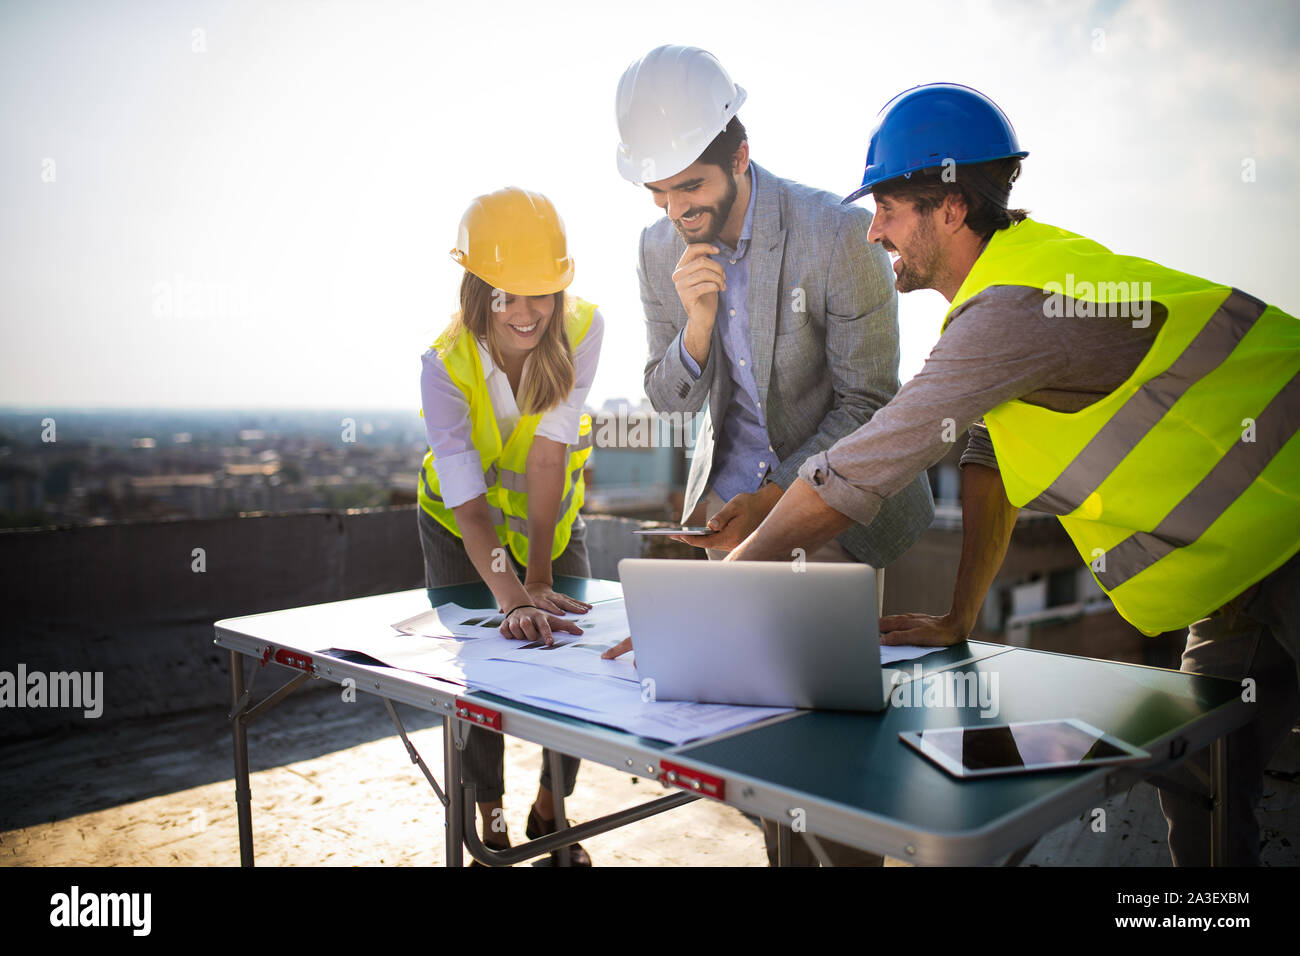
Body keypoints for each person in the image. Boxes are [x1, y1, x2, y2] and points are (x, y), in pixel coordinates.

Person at [727, 83, 1300, 866]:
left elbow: (859, 469)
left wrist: (721, 589)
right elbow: (989, 461)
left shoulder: (1010, 310)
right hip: (1243, 566)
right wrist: (961, 614)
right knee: (1204, 781)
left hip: (1289, 536)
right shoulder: (1016, 287)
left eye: (889, 207)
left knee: (1209, 779)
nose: (873, 232)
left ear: (951, 208)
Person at [610, 45, 935, 866]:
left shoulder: (839, 236)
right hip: (725, 509)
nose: (678, 209)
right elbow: (667, 399)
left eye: (693, 186)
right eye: (661, 191)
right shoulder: (658, 252)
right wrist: (693, 329)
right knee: (749, 748)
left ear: (740, 155)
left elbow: (872, 410)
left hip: (835, 496)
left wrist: (781, 500)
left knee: (828, 751)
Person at [417, 187, 604, 866]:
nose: (527, 313)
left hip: (551, 527)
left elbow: (551, 453)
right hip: (457, 529)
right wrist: (511, 598)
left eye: (542, 293)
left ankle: (551, 814)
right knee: (480, 672)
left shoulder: (583, 329)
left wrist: (540, 579)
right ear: (478, 289)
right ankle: (488, 815)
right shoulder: (443, 366)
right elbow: (471, 506)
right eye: (507, 295)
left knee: (576, 662)